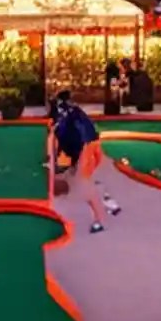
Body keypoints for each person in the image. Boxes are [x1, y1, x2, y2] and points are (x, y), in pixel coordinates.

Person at [51, 90, 120, 234]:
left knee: (84, 185)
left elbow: (72, 139)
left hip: (86, 148)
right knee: (84, 178)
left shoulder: (63, 115)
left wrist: (73, 162)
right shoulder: (72, 111)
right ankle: (108, 201)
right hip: (91, 146)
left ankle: (99, 221)